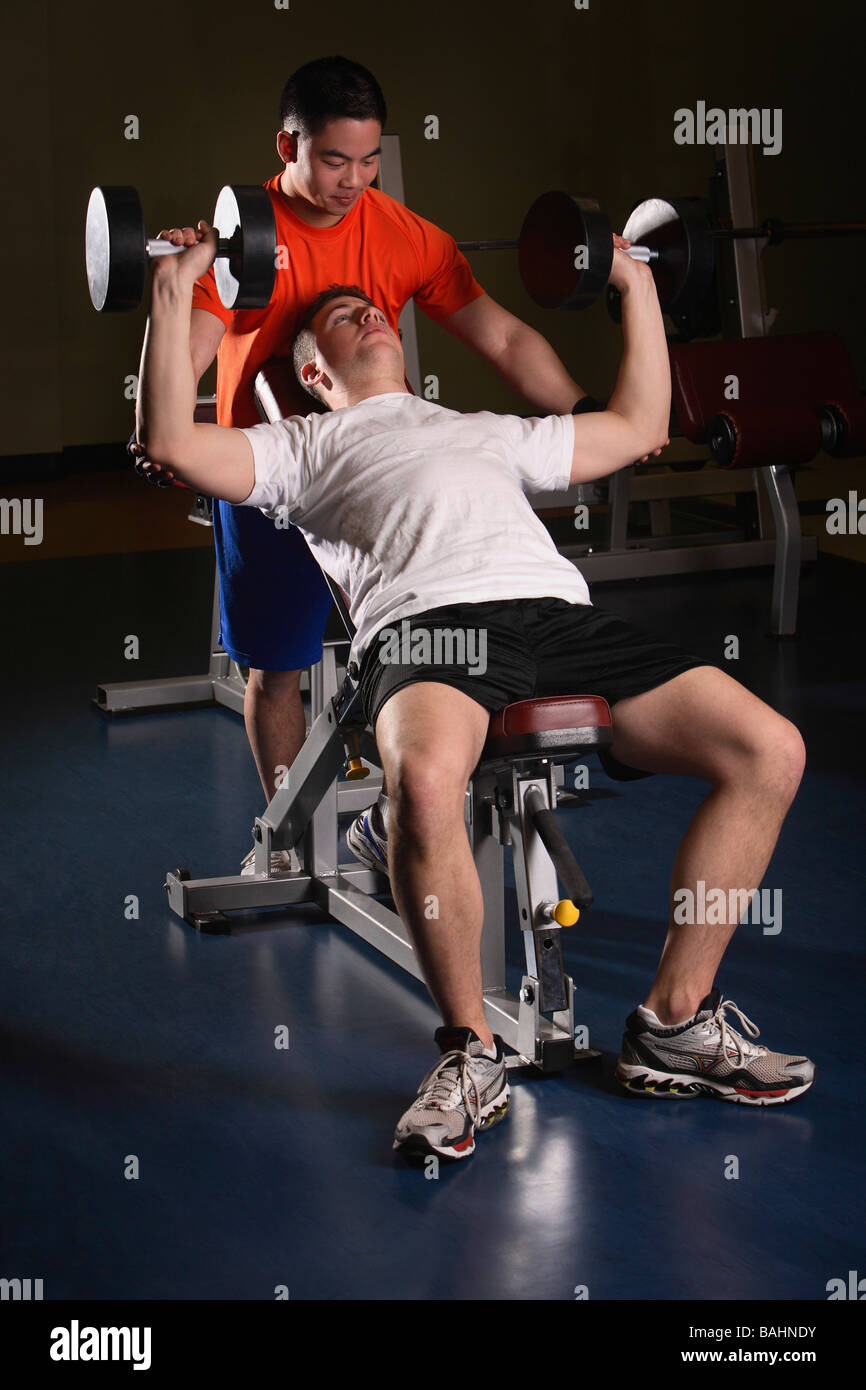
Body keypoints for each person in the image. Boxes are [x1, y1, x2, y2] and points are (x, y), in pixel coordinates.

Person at [136, 220, 815, 1163]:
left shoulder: (486, 430)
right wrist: (176, 288)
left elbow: (639, 427)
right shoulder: (298, 447)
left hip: (559, 619)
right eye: (339, 316)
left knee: (771, 749)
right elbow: (169, 439)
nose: (367, 313)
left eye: (371, 307)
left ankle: (672, 1020)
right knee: (422, 784)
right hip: (430, 633)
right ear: (318, 375)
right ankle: (469, 1052)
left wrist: (635, 284)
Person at [134, 54, 652, 878]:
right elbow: (193, 351)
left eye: (369, 159)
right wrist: (166, 427)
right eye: (335, 159)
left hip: (380, 475)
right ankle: (288, 842)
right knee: (278, 671)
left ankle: (404, 807)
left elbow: (505, 337)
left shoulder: (407, 236)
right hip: (268, 473)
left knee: (423, 649)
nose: (353, 180)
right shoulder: (243, 239)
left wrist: (589, 412)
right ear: (288, 145)